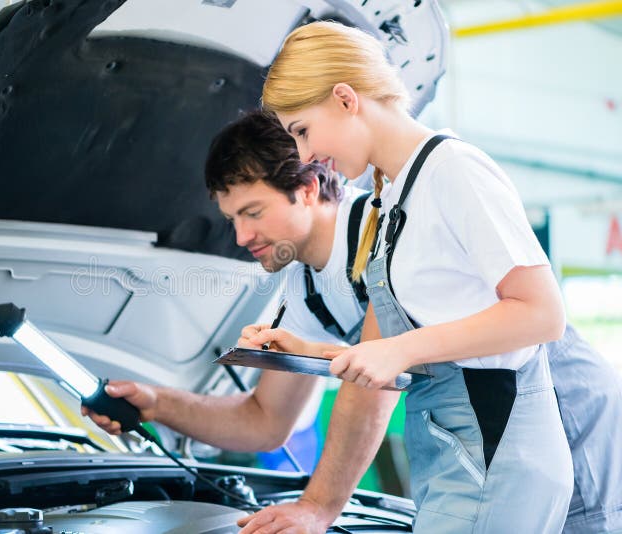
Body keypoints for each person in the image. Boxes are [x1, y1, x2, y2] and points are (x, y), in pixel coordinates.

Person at [244, 20, 596, 533]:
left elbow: (543, 314)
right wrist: (311, 352)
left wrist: (399, 350)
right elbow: (426, 342)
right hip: (453, 456)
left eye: (301, 129)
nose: (303, 155)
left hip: (495, 457)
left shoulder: (453, 170)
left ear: (345, 99)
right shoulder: (390, 199)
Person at [84, 111, 400, 532]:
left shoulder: (384, 235)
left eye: (253, 212)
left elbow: (374, 385)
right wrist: (157, 403)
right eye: (233, 219)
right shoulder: (304, 289)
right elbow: (265, 421)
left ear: (306, 189)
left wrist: (317, 508)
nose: (241, 237)